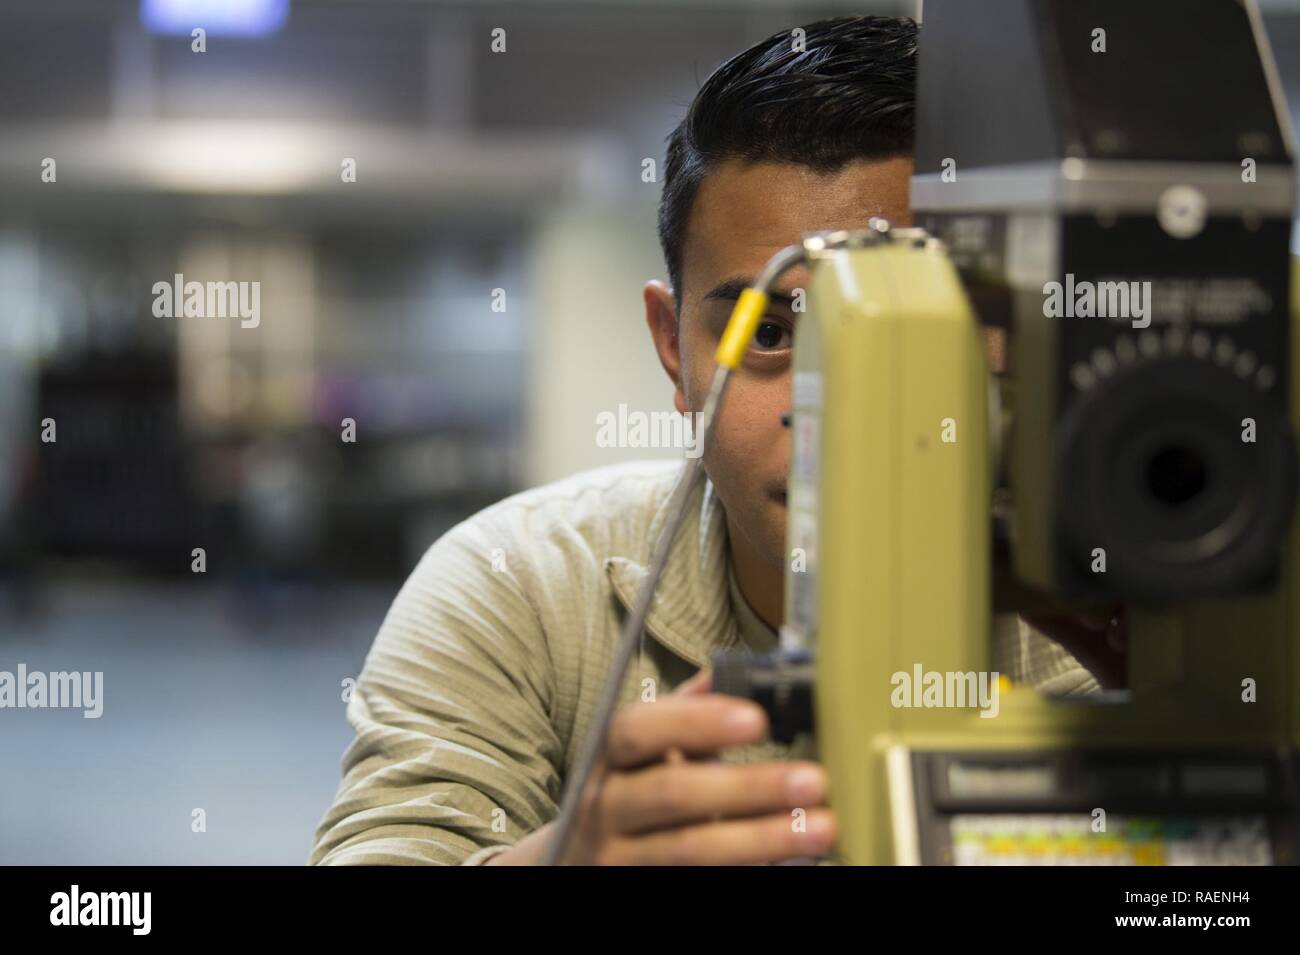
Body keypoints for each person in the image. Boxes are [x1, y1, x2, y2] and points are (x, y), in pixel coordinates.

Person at [309, 14, 1111, 867]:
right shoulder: (521, 585)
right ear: (672, 346)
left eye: (911, 333)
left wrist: (1197, 732)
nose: (831, 407)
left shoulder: (1131, 603)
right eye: (769, 330)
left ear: (1013, 332)